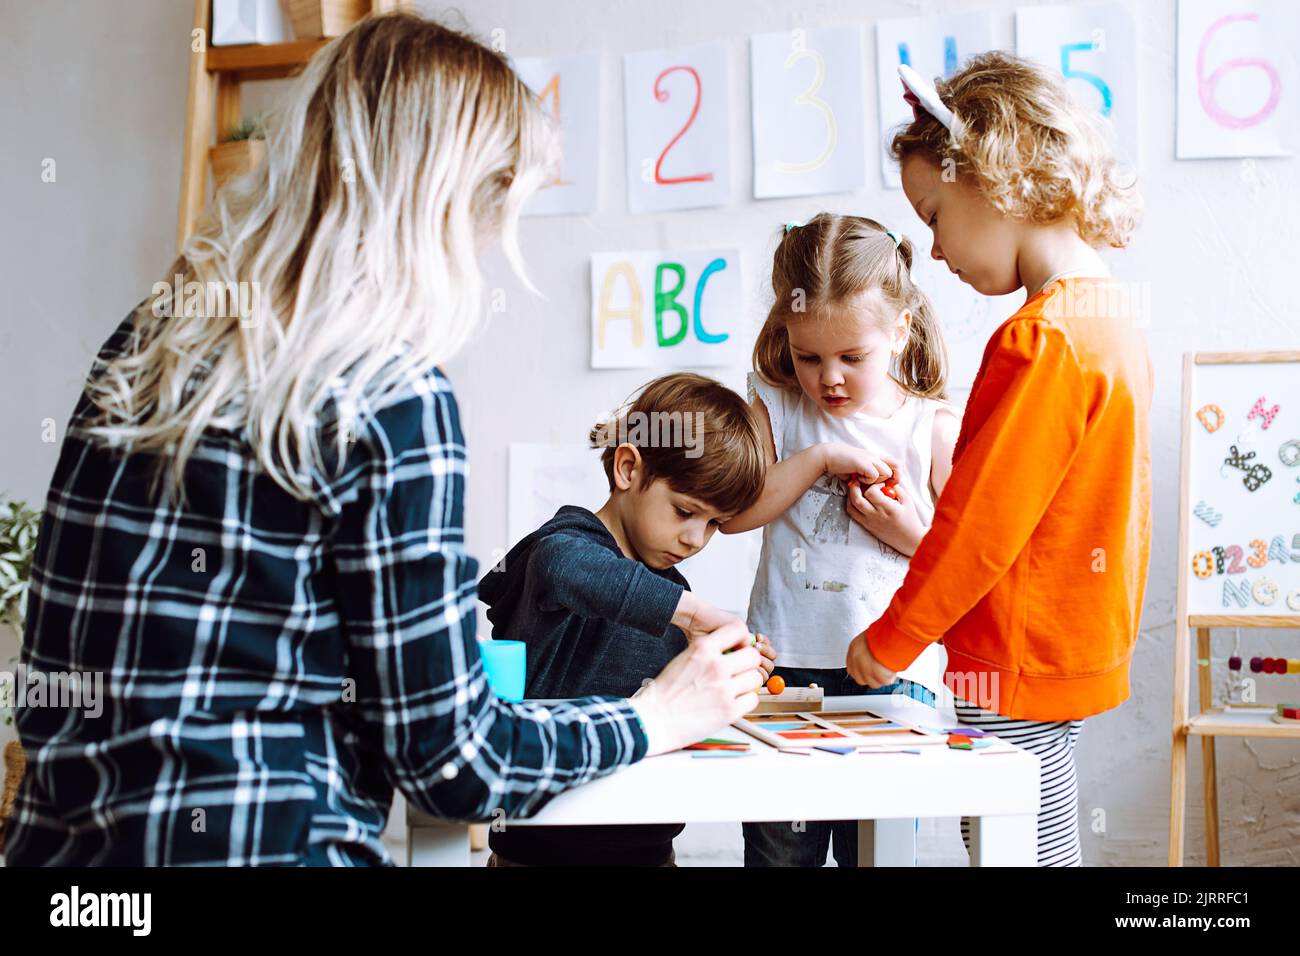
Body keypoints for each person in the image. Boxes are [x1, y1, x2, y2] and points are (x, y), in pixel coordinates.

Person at [3, 12, 764, 867]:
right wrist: (652, 717)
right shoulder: (393, 393)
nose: (489, 246)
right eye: (494, 215)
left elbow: (55, 674)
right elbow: (452, 766)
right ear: (446, 204)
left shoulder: (149, 339)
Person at [847, 52, 1152, 866]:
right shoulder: (1109, 316)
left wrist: (891, 640)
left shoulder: (1043, 339)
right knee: (1037, 833)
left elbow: (980, 525)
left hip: (1016, 653)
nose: (933, 250)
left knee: (1016, 845)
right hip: (1069, 643)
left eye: (935, 215)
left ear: (994, 179)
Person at [723, 213, 959, 867]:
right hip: (783, 666)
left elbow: (966, 569)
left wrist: (905, 533)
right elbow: (734, 515)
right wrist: (819, 459)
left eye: (853, 358)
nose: (829, 377)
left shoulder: (931, 428)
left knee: (877, 856)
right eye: (809, 357)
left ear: (900, 331)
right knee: (778, 856)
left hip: (895, 676)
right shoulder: (776, 407)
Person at [480, 372, 775, 866]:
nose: (695, 539)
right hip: (539, 853)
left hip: (648, 850)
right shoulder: (564, 546)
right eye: (684, 511)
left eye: (713, 524)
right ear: (628, 468)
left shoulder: (671, 592)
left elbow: (672, 704)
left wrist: (724, 666)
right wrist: (693, 613)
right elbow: (564, 566)